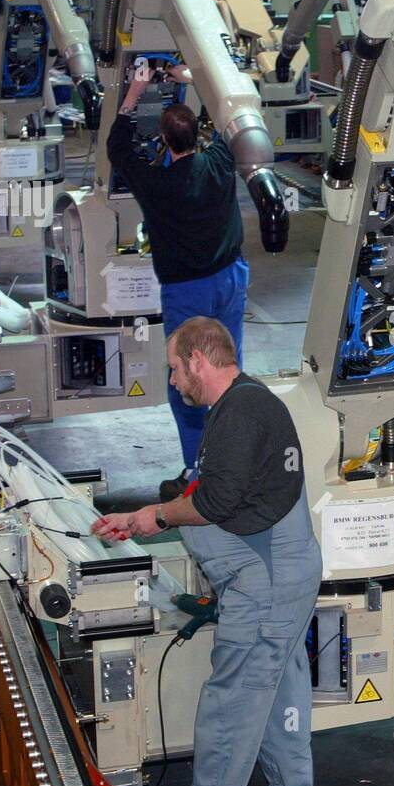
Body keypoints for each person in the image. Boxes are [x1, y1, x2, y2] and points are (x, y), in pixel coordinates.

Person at [92, 317, 321, 786]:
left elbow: (214, 502)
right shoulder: (245, 402)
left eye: (175, 369)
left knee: (231, 709)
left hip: (265, 588)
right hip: (280, 583)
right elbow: (208, 485)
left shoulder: (239, 412)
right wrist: (146, 512)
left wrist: (154, 518)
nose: (174, 382)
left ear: (198, 360)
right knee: (278, 703)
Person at [107, 64, 250, 501]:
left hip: (187, 290)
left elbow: (117, 148)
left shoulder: (155, 183)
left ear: (165, 141)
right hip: (231, 278)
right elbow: (227, 123)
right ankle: (235, 459)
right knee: (228, 368)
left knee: (187, 379)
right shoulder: (221, 164)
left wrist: (134, 91)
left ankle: (199, 471)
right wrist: (195, 80)